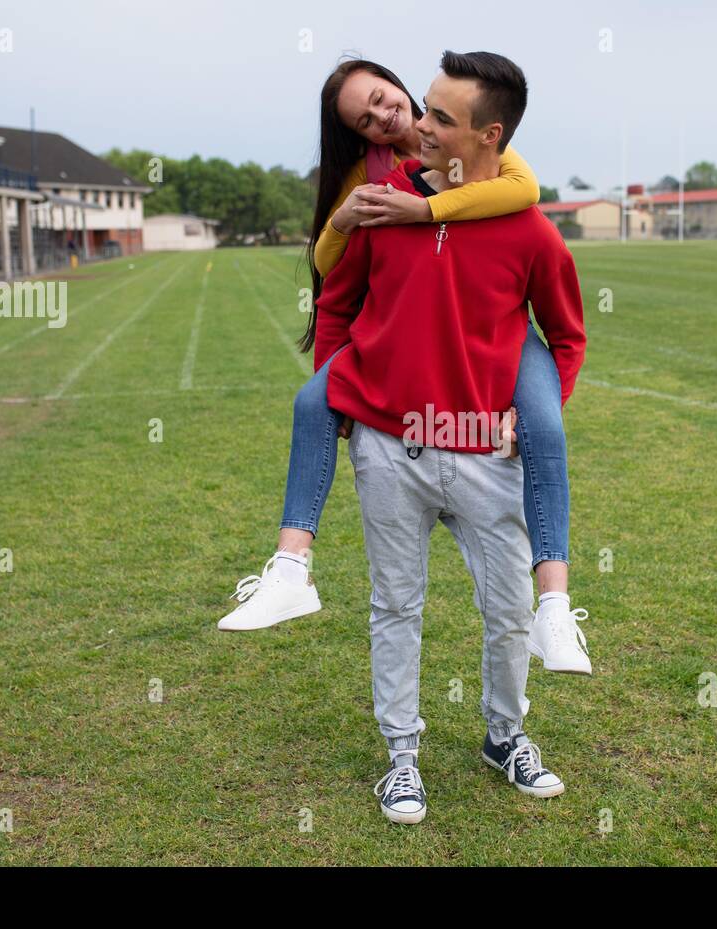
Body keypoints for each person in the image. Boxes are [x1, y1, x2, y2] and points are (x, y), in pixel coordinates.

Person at [216, 56, 591, 674]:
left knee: (543, 424)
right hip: (401, 326)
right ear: (360, 134)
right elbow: (336, 278)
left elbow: (521, 192)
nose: (389, 117)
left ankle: (554, 606)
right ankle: (290, 568)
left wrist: (427, 211)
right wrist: (346, 220)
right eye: (366, 119)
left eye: (388, 99)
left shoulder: (468, 150)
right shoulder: (376, 179)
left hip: (500, 324)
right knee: (312, 400)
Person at [315, 51, 586, 823]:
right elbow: (336, 304)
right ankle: (401, 756)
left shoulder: (532, 232)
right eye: (422, 108)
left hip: (482, 453)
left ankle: (506, 736)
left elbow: (566, 338)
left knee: (507, 612)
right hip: (388, 450)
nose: (418, 127)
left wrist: (527, 417)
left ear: (487, 135)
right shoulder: (382, 205)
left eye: (440, 118)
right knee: (395, 606)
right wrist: (341, 398)